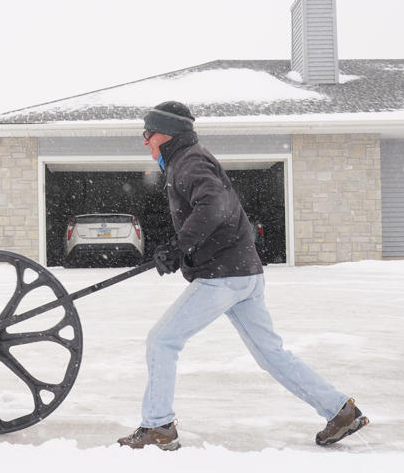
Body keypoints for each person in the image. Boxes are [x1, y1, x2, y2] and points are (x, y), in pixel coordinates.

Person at [117, 101, 369, 451]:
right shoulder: (190, 158)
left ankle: (158, 425)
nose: (144, 141)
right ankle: (340, 411)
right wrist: (182, 250)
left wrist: (180, 247)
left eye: (147, 134)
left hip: (223, 276)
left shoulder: (188, 161)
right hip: (243, 273)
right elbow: (218, 209)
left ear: (165, 134)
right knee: (271, 354)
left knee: (162, 340)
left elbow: (213, 206)